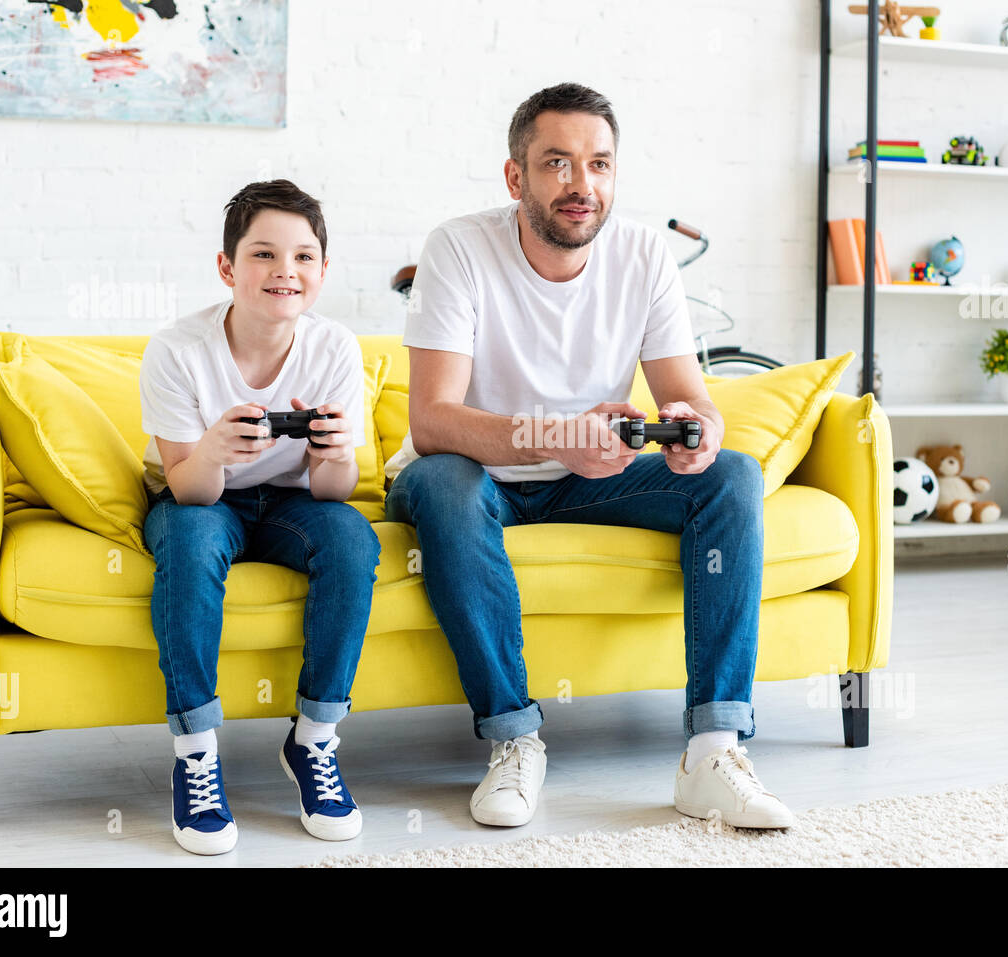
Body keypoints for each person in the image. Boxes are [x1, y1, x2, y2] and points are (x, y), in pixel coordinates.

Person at [384, 84, 793, 830]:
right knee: (443, 483)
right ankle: (514, 739)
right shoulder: (458, 247)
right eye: (558, 164)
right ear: (516, 178)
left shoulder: (642, 254)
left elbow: (692, 399)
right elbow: (434, 420)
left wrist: (693, 429)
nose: (583, 186)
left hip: (587, 478)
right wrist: (555, 433)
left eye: (599, 164)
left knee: (734, 475)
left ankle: (712, 751)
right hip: (477, 477)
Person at [140, 179, 380, 854]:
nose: (286, 271)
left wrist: (331, 451)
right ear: (227, 267)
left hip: (293, 502)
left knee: (353, 541)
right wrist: (214, 450)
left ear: (324, 272)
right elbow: (190, 490)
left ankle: (314, 740)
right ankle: (195, 751)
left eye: (304, 257)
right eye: (264, 254)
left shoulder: (334, 348)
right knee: (189, 542)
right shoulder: (177, 350)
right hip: (199, 497)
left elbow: (335, 492)